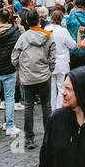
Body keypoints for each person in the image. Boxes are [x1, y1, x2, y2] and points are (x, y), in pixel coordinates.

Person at [11, 8, 56, 149]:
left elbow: (14, 57)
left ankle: (29, 139)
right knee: (46, 106)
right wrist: (50, 69)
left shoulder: (23, 37)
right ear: (39, 20)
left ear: (26, 22)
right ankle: (48, 137)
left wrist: (21, 68)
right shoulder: (48, 35)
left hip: (28, 76)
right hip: (43, 76)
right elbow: (53, 56)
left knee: (29, 106)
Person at [45, 8, 77, 111]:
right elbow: (72, 45)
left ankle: (52, 108)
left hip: (49, 61)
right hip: (62, 62)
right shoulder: (63, 31)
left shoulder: (46, 29)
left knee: (52, 87)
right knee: (61, 86)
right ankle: (59, 108)